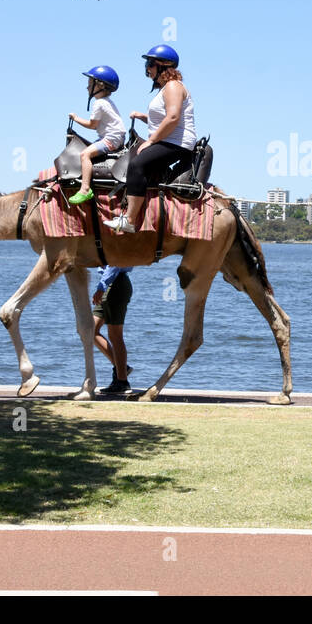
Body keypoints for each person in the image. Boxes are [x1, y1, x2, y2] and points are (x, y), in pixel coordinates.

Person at [104, 45, 196, 233]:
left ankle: (129, 220)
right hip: (169, 140)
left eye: (150, 63)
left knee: (137, 164)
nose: (147, 68)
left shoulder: (173, 86)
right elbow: (164, 120)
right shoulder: (165, 89)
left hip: (177, 143)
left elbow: (172, 118)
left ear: (163, 66)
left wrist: (151, 141)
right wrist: (143, 117)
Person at [67, 65, 126, 205]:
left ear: (100, 85)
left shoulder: (99, 103)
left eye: (89, 84)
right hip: (115, 137)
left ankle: (85, 189)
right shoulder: (106, 102)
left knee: (84, 155)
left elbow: (92, 125)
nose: (87, 88)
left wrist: (75, 118)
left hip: (111, 138)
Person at [92, 264, 135, 394]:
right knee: (90, 331)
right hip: (110, 285)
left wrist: (101, 288)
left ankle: (122, 381)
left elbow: (114, 265)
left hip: (115, 285)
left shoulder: (116, 244)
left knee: (115, 336)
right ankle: (122, 368)